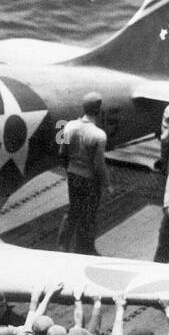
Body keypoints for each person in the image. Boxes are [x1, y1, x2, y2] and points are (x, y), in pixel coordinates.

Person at [60, 93, 108, 255]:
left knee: (73, 211)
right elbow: (98, 165)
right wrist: (106, 184)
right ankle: (85, 248)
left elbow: (62, 152)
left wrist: (70, 168)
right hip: (89, 179)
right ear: (99, 110)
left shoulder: (69, 126)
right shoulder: (98, 135)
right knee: (89, 215)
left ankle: (63, 246)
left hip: (73, 174)